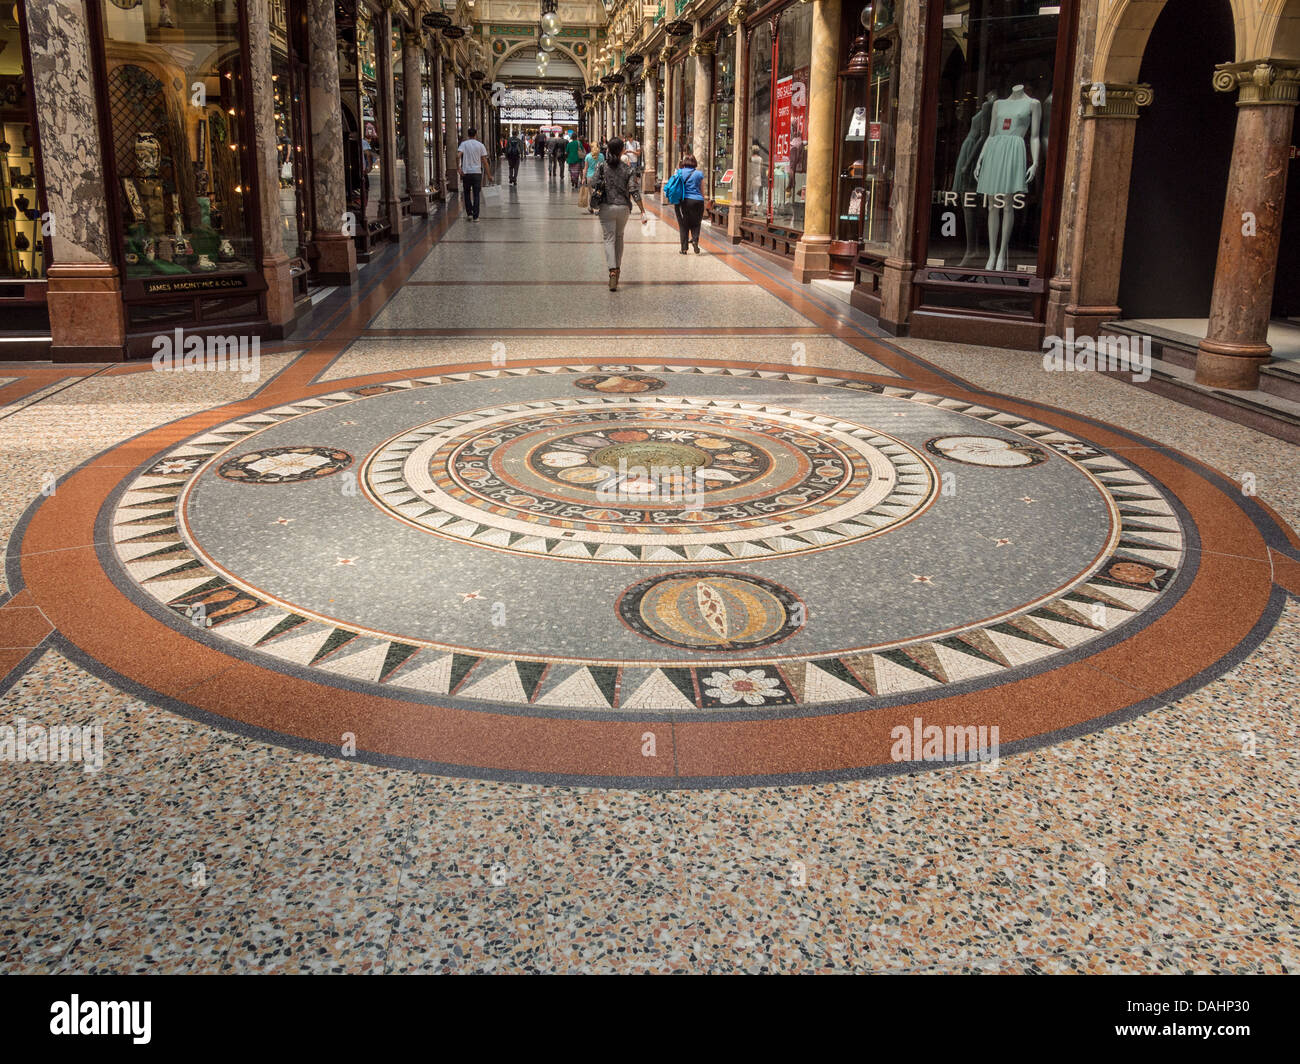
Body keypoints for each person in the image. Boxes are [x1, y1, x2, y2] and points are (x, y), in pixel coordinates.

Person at [593, 137, 646, 291]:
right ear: (622, 150)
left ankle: (612, 271)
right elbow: (633, 190)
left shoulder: (602, 166)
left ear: (608, 149)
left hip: (606, 207)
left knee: (609, 238)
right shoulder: (628, 169)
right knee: (619, 237)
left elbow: (593, 183)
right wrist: (642, 210)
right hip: (623, 208)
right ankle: (618, 268)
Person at [671, 153, 707, 254]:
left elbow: (674, 185)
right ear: (694, 162)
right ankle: (695, 240)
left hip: (683, 201)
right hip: (698, 201)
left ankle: (684, 248)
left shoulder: (679, 172)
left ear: (684, 163)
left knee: (683, 225)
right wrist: (702, 200)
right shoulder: (699, 174)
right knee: (696, 223)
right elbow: (702, 190)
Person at [457, 126, 492, 222]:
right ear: (476, 134)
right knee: (476, 194)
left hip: (466, 173)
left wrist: (458, 168)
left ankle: (469, 214)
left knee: (467, 193)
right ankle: (476, 216)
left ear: (468, 135)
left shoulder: (464, 144)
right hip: (477, 173)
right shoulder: (480, 145)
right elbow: (485, 162)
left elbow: (458, 155)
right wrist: (489, 175)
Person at [583, 141, 605, 214]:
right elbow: (603, 167)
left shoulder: (588, 156)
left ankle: (591, 207)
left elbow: (585, 168)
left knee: (591, 193)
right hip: (599, 177)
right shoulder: (601, 156)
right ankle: (597, 207)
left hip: (590, 177)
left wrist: (583, 178)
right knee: (598, 193)